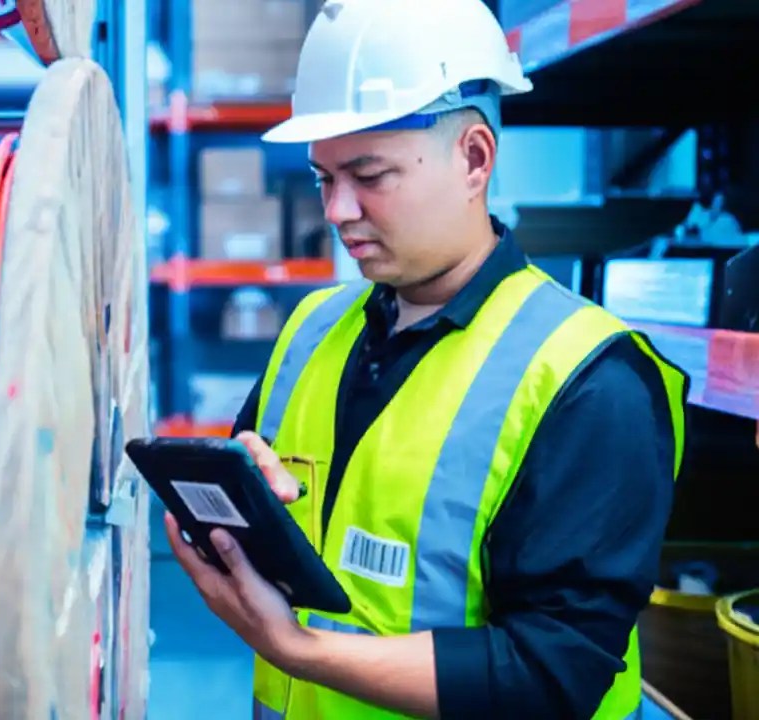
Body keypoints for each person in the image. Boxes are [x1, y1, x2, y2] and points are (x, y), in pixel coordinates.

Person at [161, 0, 690, 718]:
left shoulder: (589, 381)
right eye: (324, 178)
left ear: (474, 158)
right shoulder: (312, 329)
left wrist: (300, 650)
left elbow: (553, 671)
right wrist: (238, 504)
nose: (337, 210)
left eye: (369, 175)